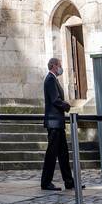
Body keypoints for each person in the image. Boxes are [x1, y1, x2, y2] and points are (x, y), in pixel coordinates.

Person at [40, 57, 75, 191]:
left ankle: (69, 181)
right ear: (54, 66)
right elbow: (55, 100)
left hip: (58, 122)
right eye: (59, 65)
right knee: (52, 154)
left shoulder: (54, 79)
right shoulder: (50, 79)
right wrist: (66, 105)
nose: (61, 68)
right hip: (53, 122)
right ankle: (46, 182)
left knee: (63, 153)